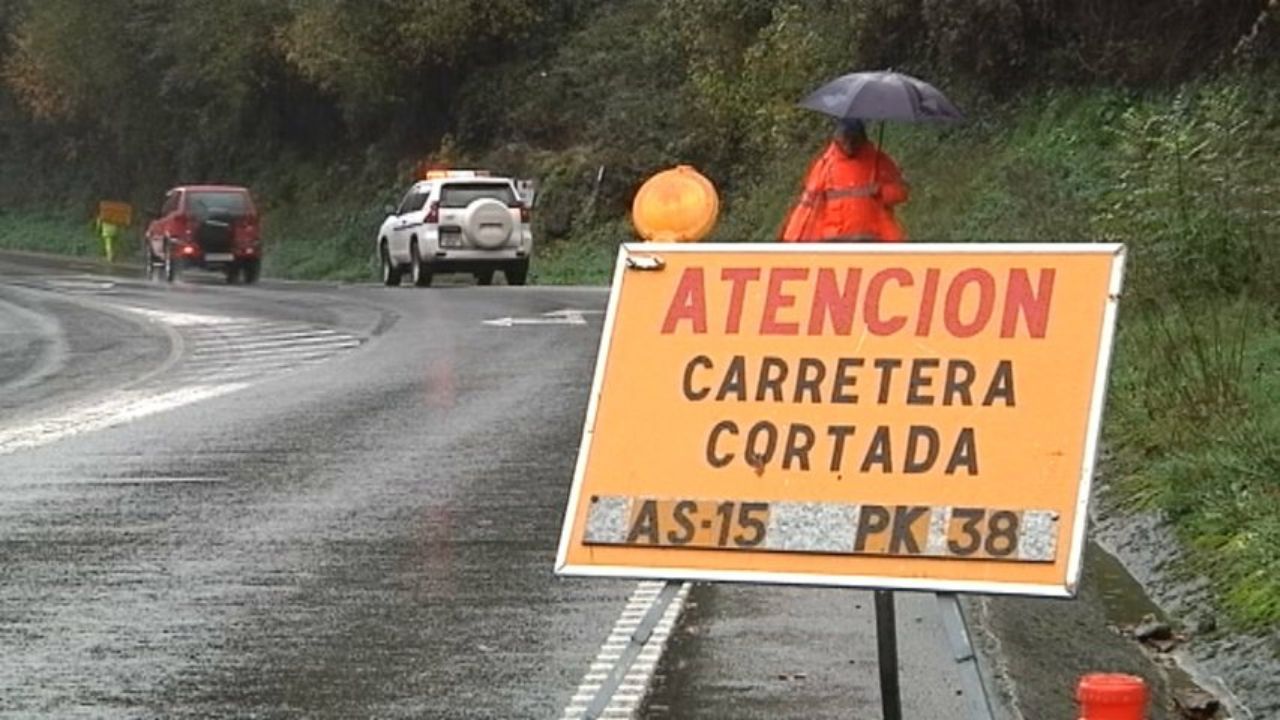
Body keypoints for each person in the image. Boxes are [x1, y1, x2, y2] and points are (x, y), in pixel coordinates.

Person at [780, 119, 909, 243]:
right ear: (837, 139)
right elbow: (808, 204)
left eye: (853, 140)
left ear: (862, 139)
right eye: (845, 140)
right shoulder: (825, 165)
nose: (849, 145)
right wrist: (792, 239)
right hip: (834, 240)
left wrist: (881, 190)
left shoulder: (879, 161)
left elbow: (901, 192)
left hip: (872, 239)